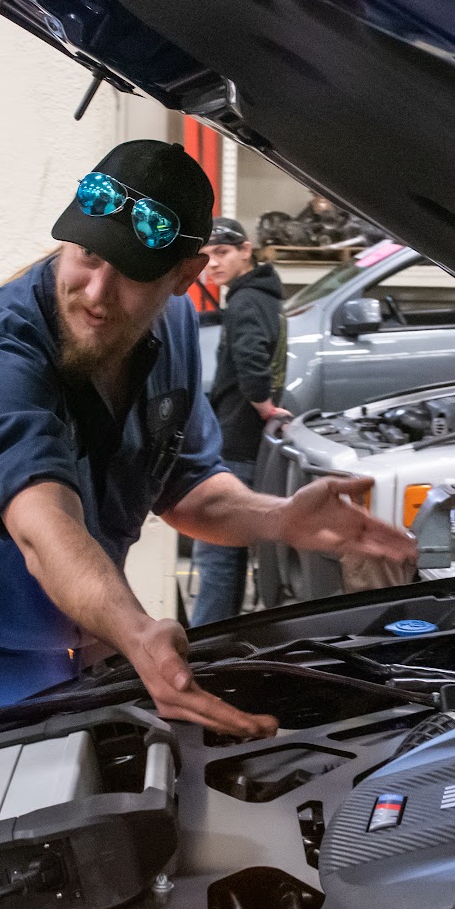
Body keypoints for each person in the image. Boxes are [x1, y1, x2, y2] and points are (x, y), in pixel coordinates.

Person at [0, 140, 415, 749]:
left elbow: (188, 489)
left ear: (184, 277)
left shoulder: (170, 327)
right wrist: (135, 632)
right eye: (87, 254)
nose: (97, 293)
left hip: (74, 655)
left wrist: (281, 519)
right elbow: (43, 525)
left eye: (131, 272)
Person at [191, 217, 287, 626]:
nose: (212, 264)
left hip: (235, 440)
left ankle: (203, 645)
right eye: (205, 256)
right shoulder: (263, 296)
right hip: (246, 441)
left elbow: (251, 359)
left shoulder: (246, 300)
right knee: (229, 553)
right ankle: (223, 639)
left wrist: (264, 406)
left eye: (222, 252)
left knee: (216, 555)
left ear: (246, 250)